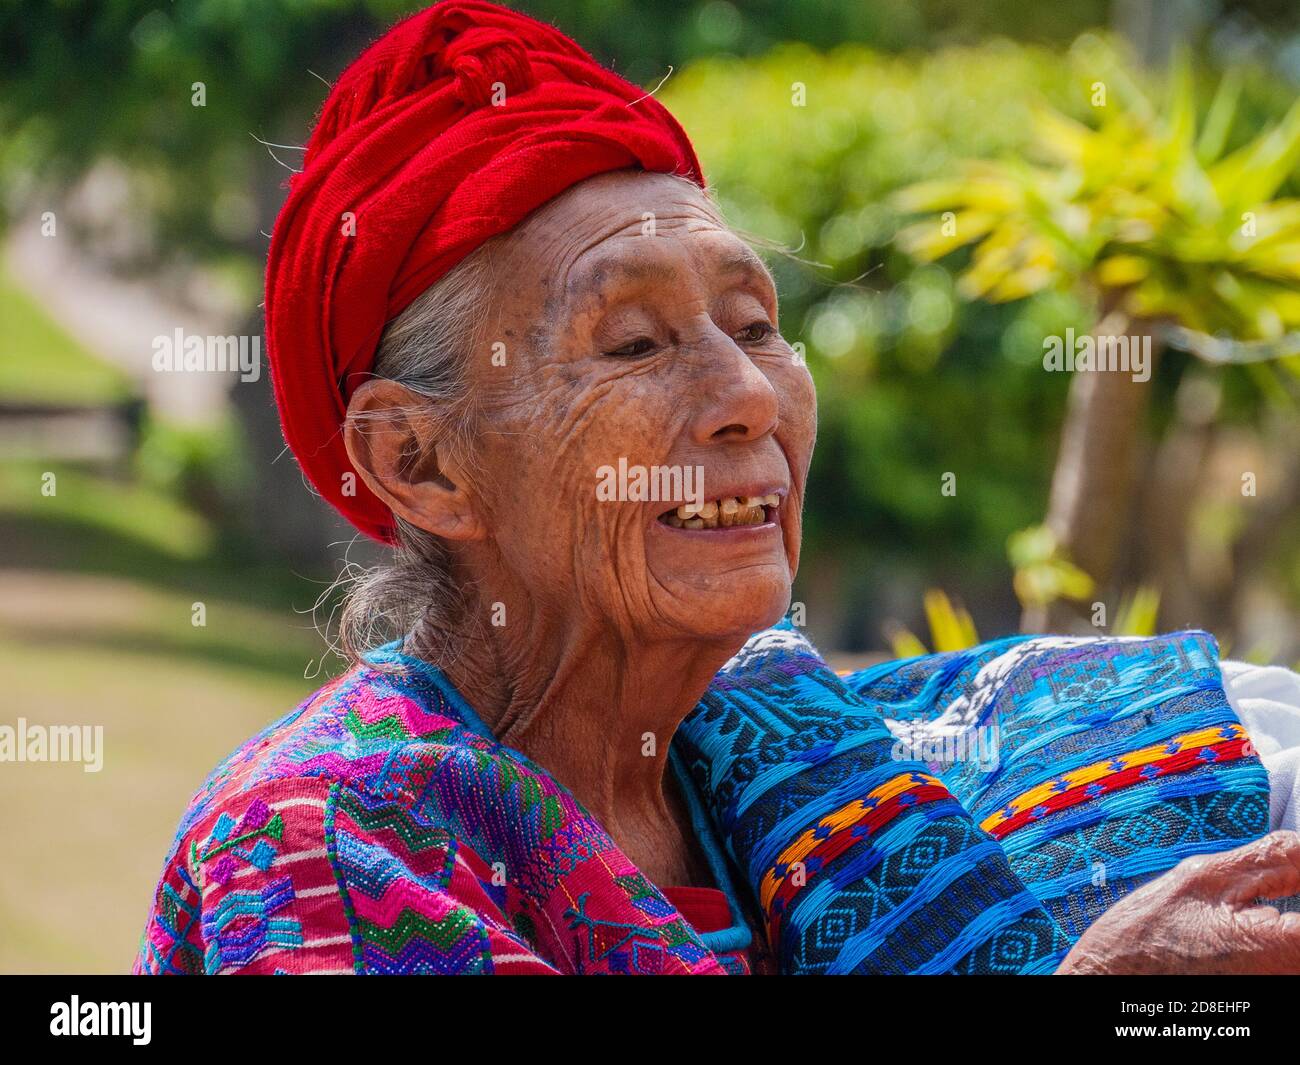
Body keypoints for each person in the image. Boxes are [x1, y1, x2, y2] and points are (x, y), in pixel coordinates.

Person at [135, 0, 1300, 975]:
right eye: (633, 345)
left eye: (755, 321)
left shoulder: (829, 761)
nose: (748, 393)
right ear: (420, 462)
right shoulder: (324, 842)